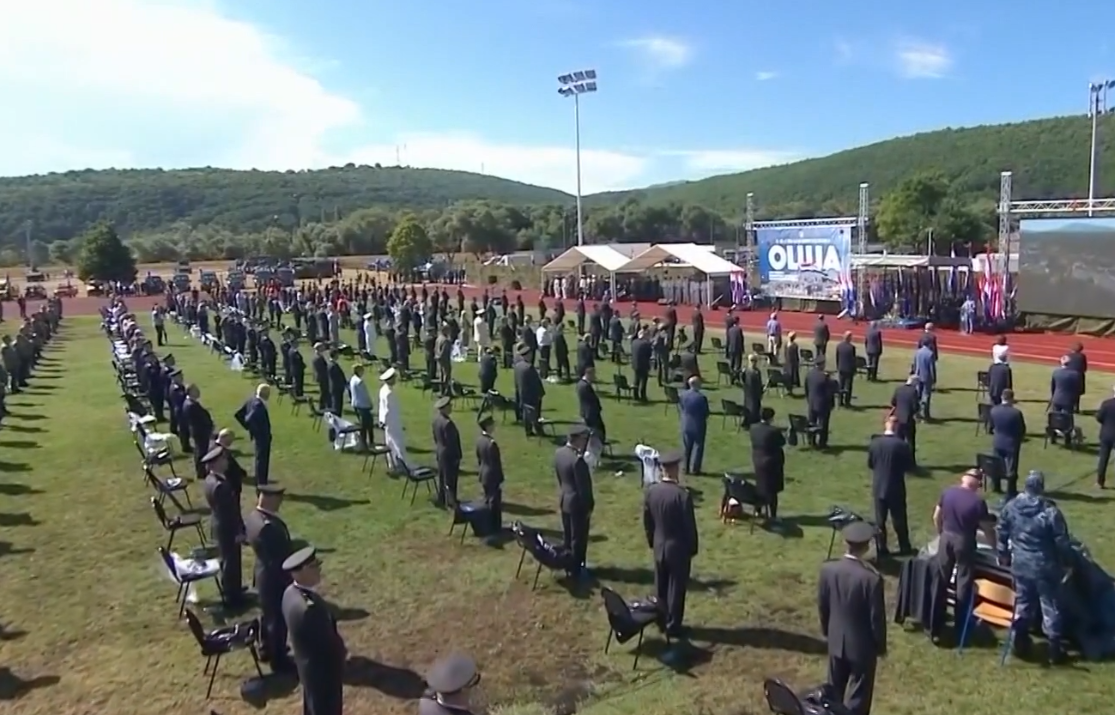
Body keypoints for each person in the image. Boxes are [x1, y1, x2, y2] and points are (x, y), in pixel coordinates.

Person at [996, 471, 1074, 664]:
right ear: (1041, 487)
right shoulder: (1050, 512)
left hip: (1020, 565)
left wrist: (1003, 554)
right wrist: (1068, 563)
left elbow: (1001, 531)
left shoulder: (1011, 506)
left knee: (1023, 603)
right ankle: (1054, 649)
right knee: (1050, 606)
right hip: (1044, 567)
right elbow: (1062, 542)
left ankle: (1019, 642)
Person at [817, 521, 886, 715]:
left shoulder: (828, 570)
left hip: (836, 640)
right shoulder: (871, 579)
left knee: (833, 693)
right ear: (866, 546)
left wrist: (827, 631)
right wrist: (880, 646)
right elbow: (876, 618)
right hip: (862, 648)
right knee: (858, 698)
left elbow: (823, 605)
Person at [282, 546, 347, 715]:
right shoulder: (309, 610)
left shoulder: (290, 593)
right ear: (299, 572)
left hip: (308, 670)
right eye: (313, 566)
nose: (319, 569)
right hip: (323, 675)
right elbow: (326, 645)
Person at [642, 450, 699, 637]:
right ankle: (673, 625)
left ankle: (660, 619)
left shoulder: (652, 492)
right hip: (678, 548)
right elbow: (689, 526)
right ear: (675, 469)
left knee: (661, 584)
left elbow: (648, 521)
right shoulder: (682, 496)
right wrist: (692, 548)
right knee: (676, 587)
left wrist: (652, 540)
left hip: (659, 545)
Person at [244, 483, 294, 672]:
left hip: (263, 574)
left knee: (267, 616)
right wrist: (290, 580)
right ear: (270, 499)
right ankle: (279, 660)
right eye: (278, 499)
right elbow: (279, 559)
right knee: (277, 621)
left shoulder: (253, 518)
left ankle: (265, 648)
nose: (280, 503)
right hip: (274, 579)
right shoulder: (268, 527)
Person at [933, 470, 988, 623]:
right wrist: (995, 546)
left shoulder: (947, 493)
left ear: (964, 478)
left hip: (946, 537)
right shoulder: (978, 502)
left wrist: (941, 532)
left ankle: (937, 613)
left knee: (942, 576)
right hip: (964, 541)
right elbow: (987, 528)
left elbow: (936, 516)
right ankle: (961, 618)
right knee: (963, 580)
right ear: (977, 484)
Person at [201, 446, 247, 608]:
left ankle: (234, 590)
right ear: (216, 463)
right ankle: (233, 598)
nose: (226, 462)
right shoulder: (220, 486)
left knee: (228, 561)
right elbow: (229, 512)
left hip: (220, 525)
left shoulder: (210, 480)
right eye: (223, 459)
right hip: (227, 528)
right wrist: (238, 531)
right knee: (231, 563)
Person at [868, 416, 913, 556]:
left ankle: (881, 548)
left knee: (880, 520)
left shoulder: (874, 443)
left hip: (878, 486)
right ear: (897, 426)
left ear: (885, 425)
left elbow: (871, 464)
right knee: (899, 518)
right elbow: (909, 466)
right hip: (896, 486)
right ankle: (904, 546)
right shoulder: (902, 445)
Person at [554, 425, 595, 578]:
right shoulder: (577, 461)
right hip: (578, 505)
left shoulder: (559, 453)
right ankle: (577, 568)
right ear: (577, 439)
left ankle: (567, 563)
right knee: (579, 538)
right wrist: (589, 507)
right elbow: (584, 489)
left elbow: (560, 478)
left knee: (568, 536)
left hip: (565, 499)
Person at [749, 407, 786, 519]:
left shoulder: (753, 428)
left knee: (760, 486)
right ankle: (773, 514)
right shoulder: (773, 431)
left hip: (758, 459)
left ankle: (758, 510)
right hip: (772, 462)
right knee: (772, 490)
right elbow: (782, 442)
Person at [989, 389, 1026, 496]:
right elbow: (1022, 429)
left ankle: (996, 486)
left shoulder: (994, 410)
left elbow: (991, 426)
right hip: (1011, 443)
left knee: (997, 465)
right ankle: (1011, 490)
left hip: (998, 441)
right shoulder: (1016, 413)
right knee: (1011, 467)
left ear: (1002, 397)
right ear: (1012, 399)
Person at [234, 383, 273, 485]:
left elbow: (239, 414)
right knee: (262, 460)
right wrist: (252, 428)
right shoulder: (258, 406)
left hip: (259, 435)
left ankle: (261, 481)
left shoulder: (252, 400)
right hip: (262, 437)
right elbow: (249, 418)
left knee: (260, 459)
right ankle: (261, 482)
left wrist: (249, 428)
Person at [378, 367, 412, 471]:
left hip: (388, 421)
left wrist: (381, 421)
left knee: (390, 443)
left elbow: (381, 407)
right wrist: (385, 421)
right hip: (392, 422)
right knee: (398, 443)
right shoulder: (389, 393)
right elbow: (387, 409)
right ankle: (403, 464)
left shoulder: (383, 389)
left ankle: (392, 463)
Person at [432, 396, 462, 508]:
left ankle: (442, 498)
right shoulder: (448, 423)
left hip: (440, 452)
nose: (451, 407)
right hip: (450, 455)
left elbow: (436, 437)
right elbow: (452, 442)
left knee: (442, 477)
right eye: (449, 406)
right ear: (444, 408)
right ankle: (451, 501)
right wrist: (457, 456)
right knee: (451, 479)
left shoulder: (436, 420)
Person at [476, 415, 504, 531]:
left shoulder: (480, 440)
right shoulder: (491, 444)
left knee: (487, 499)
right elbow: (496, 463)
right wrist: (500, 478)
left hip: (483, 474)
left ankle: (488, 523)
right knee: (494, 502)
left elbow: (479, 458)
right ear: (488, 426)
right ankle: (494, 526)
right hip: (492, 476)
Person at [679, 375, 709, 475]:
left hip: (686, 423)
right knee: (698, 447)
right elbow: (706, 412)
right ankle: (695, 469)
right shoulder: (701, 398)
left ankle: (685, 468)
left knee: (687, 447)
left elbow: (682, 407)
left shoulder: (683, 395)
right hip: (698, 424)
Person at [183, 383, 214, 479]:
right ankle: (201, 472)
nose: (198, 391)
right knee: (201, 452)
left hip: (199, 431)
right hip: (200, 431)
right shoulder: (191, 405)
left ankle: (202, 470)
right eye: (195, 390)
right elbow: (200, 419)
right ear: (190, 392)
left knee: (200, 450)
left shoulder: (190, 403)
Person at [889, 375, 920, 465]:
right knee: (910, 442)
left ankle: (897, 461)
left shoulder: (898, 389)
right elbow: (915, 407)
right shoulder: (913, 391)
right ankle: (910, 463)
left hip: (898, 419)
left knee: (898, 441)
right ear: (914, 382)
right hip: (908, 419)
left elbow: (893, 402)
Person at [804, 360, 834, 448]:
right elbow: (829, 392)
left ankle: (811, 440)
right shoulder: (824, 377)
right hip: (823, 404)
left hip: (812, 402)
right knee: (823, 424)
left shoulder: (809, 374)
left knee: (811, 422)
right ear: (822, 365)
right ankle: (822, 442)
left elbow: (806, 389)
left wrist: (809, 399)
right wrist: (831, 403)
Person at [348, 364, 375, 450]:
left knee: (364, 424)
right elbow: (364, 394)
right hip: (362, 405)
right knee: (367, 425)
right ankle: (368, 442)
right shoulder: (359, 382)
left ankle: (365, 442)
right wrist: (369, 403)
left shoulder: (352, 379)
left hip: (356, 404)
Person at [576, 365, 605, 441]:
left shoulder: (580, 384)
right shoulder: (585, 386)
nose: (594, 377)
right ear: (588, 374)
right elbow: (591, 400)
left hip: (586, 412)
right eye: (593, 375)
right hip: (591, 413)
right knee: (598, 431)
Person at [1095, 385, 1115, 488]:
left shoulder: (1106, 404)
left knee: (1103, 458)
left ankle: (1100, 481)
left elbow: (1099, 417)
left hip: (1106, 434)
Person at [913, 342, 936, 419]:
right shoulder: (930, 354)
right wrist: (934, 379)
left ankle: (917, 413)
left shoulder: (918, 352)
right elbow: (932, 368)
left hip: (918, 376)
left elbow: (915, 364)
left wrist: (915, 374)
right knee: (926, 396)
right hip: (927, 377)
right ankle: (926, 414)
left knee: (917, 396)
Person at [834, 331, 857, 407]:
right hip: (849, 369)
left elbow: (837, 358)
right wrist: (854, 369)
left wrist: (838, 366)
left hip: (841, 368)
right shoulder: (852, 348)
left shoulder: (839, 346)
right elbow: (853, 360)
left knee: (841, 385)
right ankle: (847, 402)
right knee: (848, 386)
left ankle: (840, 401)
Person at [630, 328, 653, 402]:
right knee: (643, 381)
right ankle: (643, 396)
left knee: (636, 380)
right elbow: (649, 354)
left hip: (635, 363)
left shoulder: (634, 342)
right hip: (643, 364)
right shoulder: (646, 344)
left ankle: (635, 395)